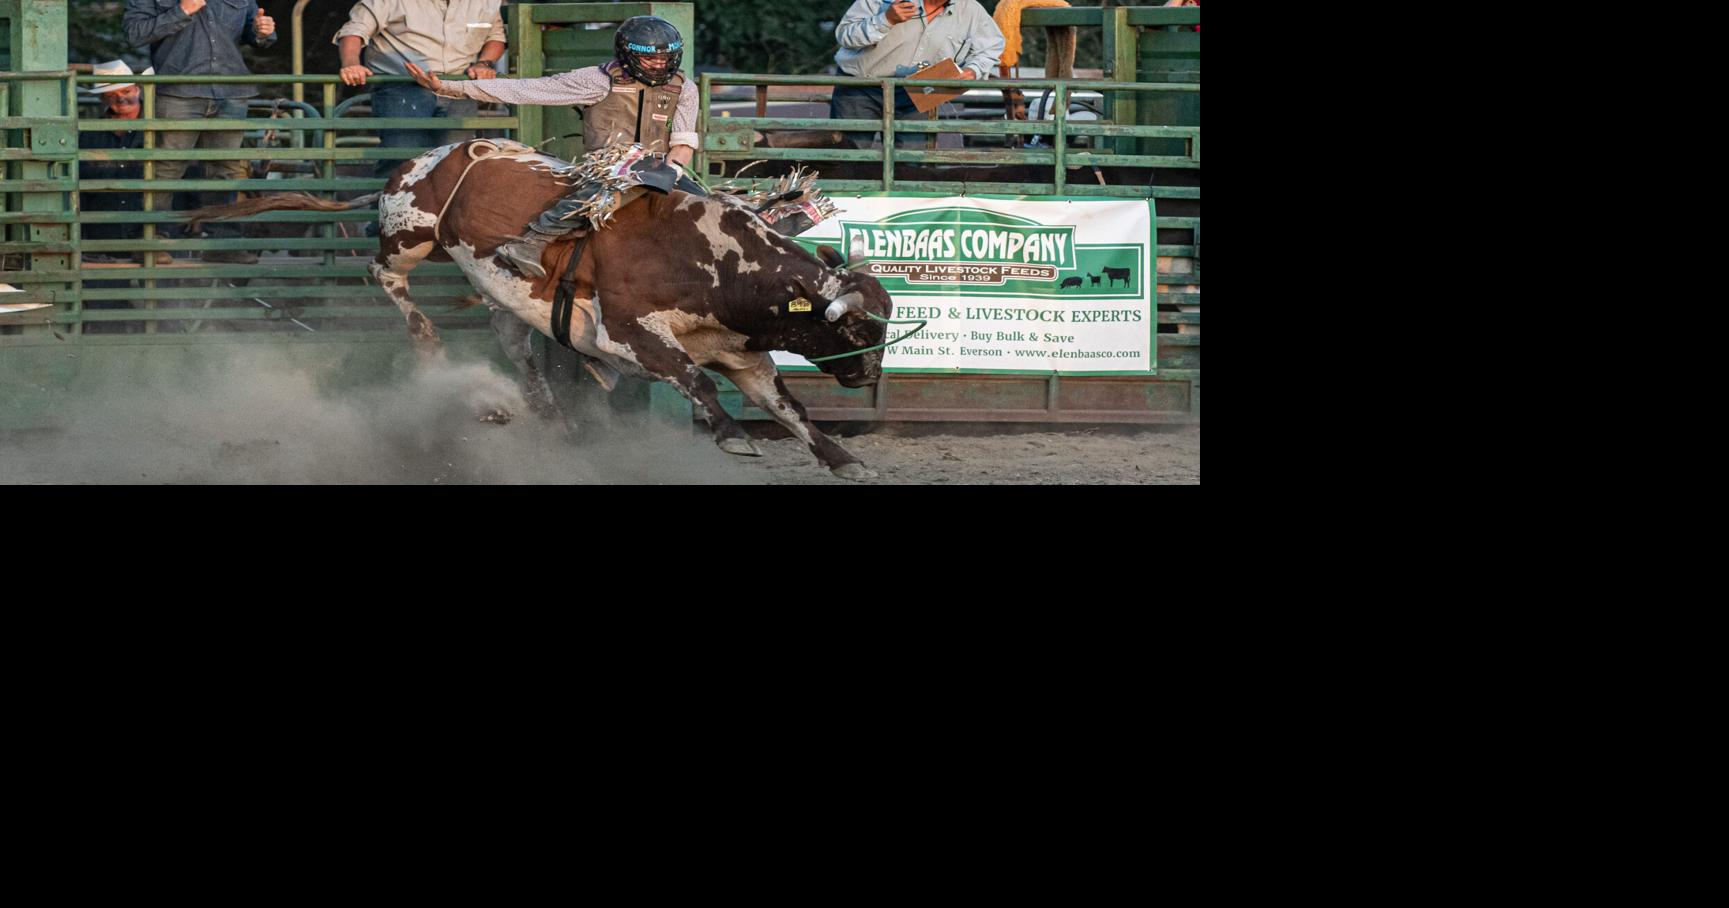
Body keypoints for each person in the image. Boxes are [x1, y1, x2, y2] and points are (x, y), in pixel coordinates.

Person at [404, 15, 700, 279]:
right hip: (609, 163)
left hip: (663, 165)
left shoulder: (684, 88)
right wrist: (446, 87)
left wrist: (670, 170)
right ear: (628, 56)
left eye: (667, 58)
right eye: (652, 59)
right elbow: (524, 89)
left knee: (705, 204)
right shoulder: (596, 80)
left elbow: (684, 142)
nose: (660, 65)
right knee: (605, 195)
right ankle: (531, 241)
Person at [122, 0, 276, 264]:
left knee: (227, 170)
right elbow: (134, 33)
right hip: (177, 91)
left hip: (231, 92)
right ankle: (151, 241)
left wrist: (264, 32)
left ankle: (223, 244)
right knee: (165, 168)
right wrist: (181, 12)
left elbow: (256, 35)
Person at [332, 0, 506, 177]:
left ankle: (442, 205)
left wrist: (483, 63)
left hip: (458, 88)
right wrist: (351, 64)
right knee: (402, 160)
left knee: (457, 162)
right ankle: (388, 203)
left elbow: (495, 37)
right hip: (402, 88)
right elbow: (353, 31)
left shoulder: (485, 2)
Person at [830, 0, 1004, 149]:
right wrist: (885, 20)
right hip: (861, 87)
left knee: (911, 164)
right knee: (849, 156)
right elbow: (845, 35)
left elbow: (990, 47)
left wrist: (973, 70)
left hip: (919, 93)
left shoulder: (971, 10)